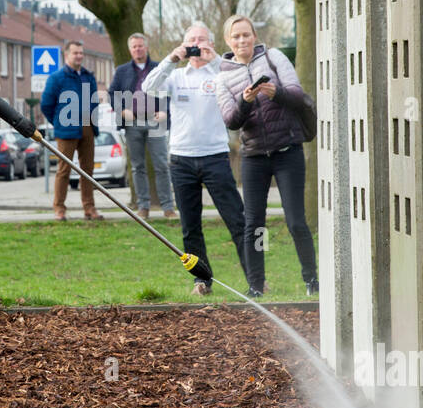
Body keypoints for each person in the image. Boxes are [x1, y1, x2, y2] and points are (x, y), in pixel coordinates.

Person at [215, 15, 319, 297]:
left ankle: (311, 279)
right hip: (253, 157)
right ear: (228, 41)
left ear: (254, 36)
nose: (241, 41)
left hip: (287, 150)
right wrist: (245, 102)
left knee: (296, 220)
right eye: (235, 37)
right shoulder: (223, 77)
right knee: (255, 224)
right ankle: (256, 285)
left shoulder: (273, 58)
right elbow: (231, 121)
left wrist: (276, 93)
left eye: (246, 35)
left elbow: (297, 95)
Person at [143, 23, 247, 295]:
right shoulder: (176, 77)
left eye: (202, 40)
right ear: (184, 45)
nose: (197, 44)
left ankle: (255, 278)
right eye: (191, 40)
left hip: (215, 157)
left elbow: (241, 84)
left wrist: (215, 61)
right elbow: (148, 87)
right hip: (182, 160)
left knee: (236, 219)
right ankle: (201, 280)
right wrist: (170, 59)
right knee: (190, 227)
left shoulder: (222, 72)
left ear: (211, 44)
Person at [108, 33, 175, 220]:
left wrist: (165, 111)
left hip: (156, 122)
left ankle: (168, 207)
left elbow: (170, 92)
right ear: (130, 50)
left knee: (161, 164)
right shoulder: (122, 71)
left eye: (140, 46)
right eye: (134, 46)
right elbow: (112, 93)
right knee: (137, 166)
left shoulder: (159, 68)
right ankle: (143, 206)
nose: (138, 49)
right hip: (133, 123)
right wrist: (122, 110)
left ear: (146, 47)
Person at [40, 39, 103, 221]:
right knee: (63, 170)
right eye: (75, 53)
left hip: (87, 128)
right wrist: (59, 122)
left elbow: (93, 102)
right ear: (66, 55)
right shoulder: (57, 78)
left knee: (88, 171)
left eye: (81, 53)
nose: (79, 56)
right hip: (66, 130)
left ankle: (89, 208)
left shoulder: (88, 76)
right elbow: (46, 104)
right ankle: (59, 209)